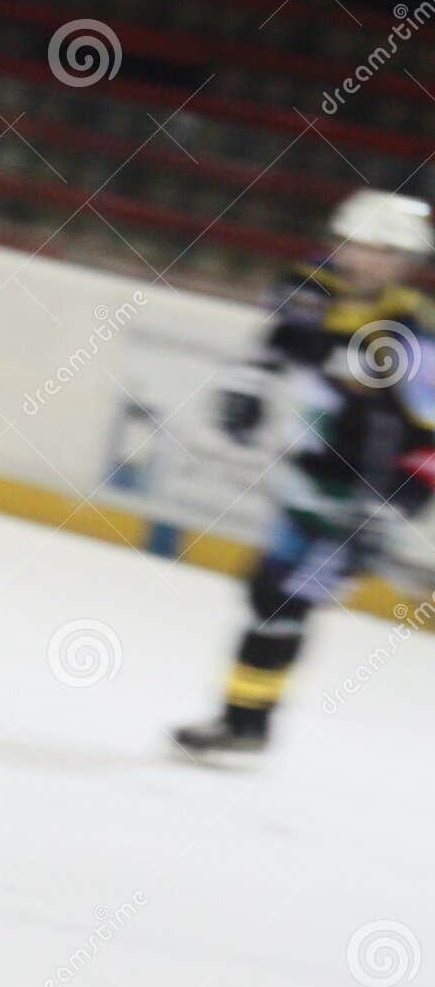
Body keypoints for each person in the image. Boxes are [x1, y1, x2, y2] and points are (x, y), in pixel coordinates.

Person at [174, 189, 435, 757]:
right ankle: (245, 722)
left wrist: (394, 505)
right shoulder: (308, 287)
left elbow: (428, 436)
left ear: (407, 262)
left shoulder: (414, 333)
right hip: (306, 478)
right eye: (356, 243)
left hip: (361, 494)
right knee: (268, 593)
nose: (363, 258)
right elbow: (279, 343)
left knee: (281, 596)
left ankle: (245, 725)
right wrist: (248, 384)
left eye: (383, 250)